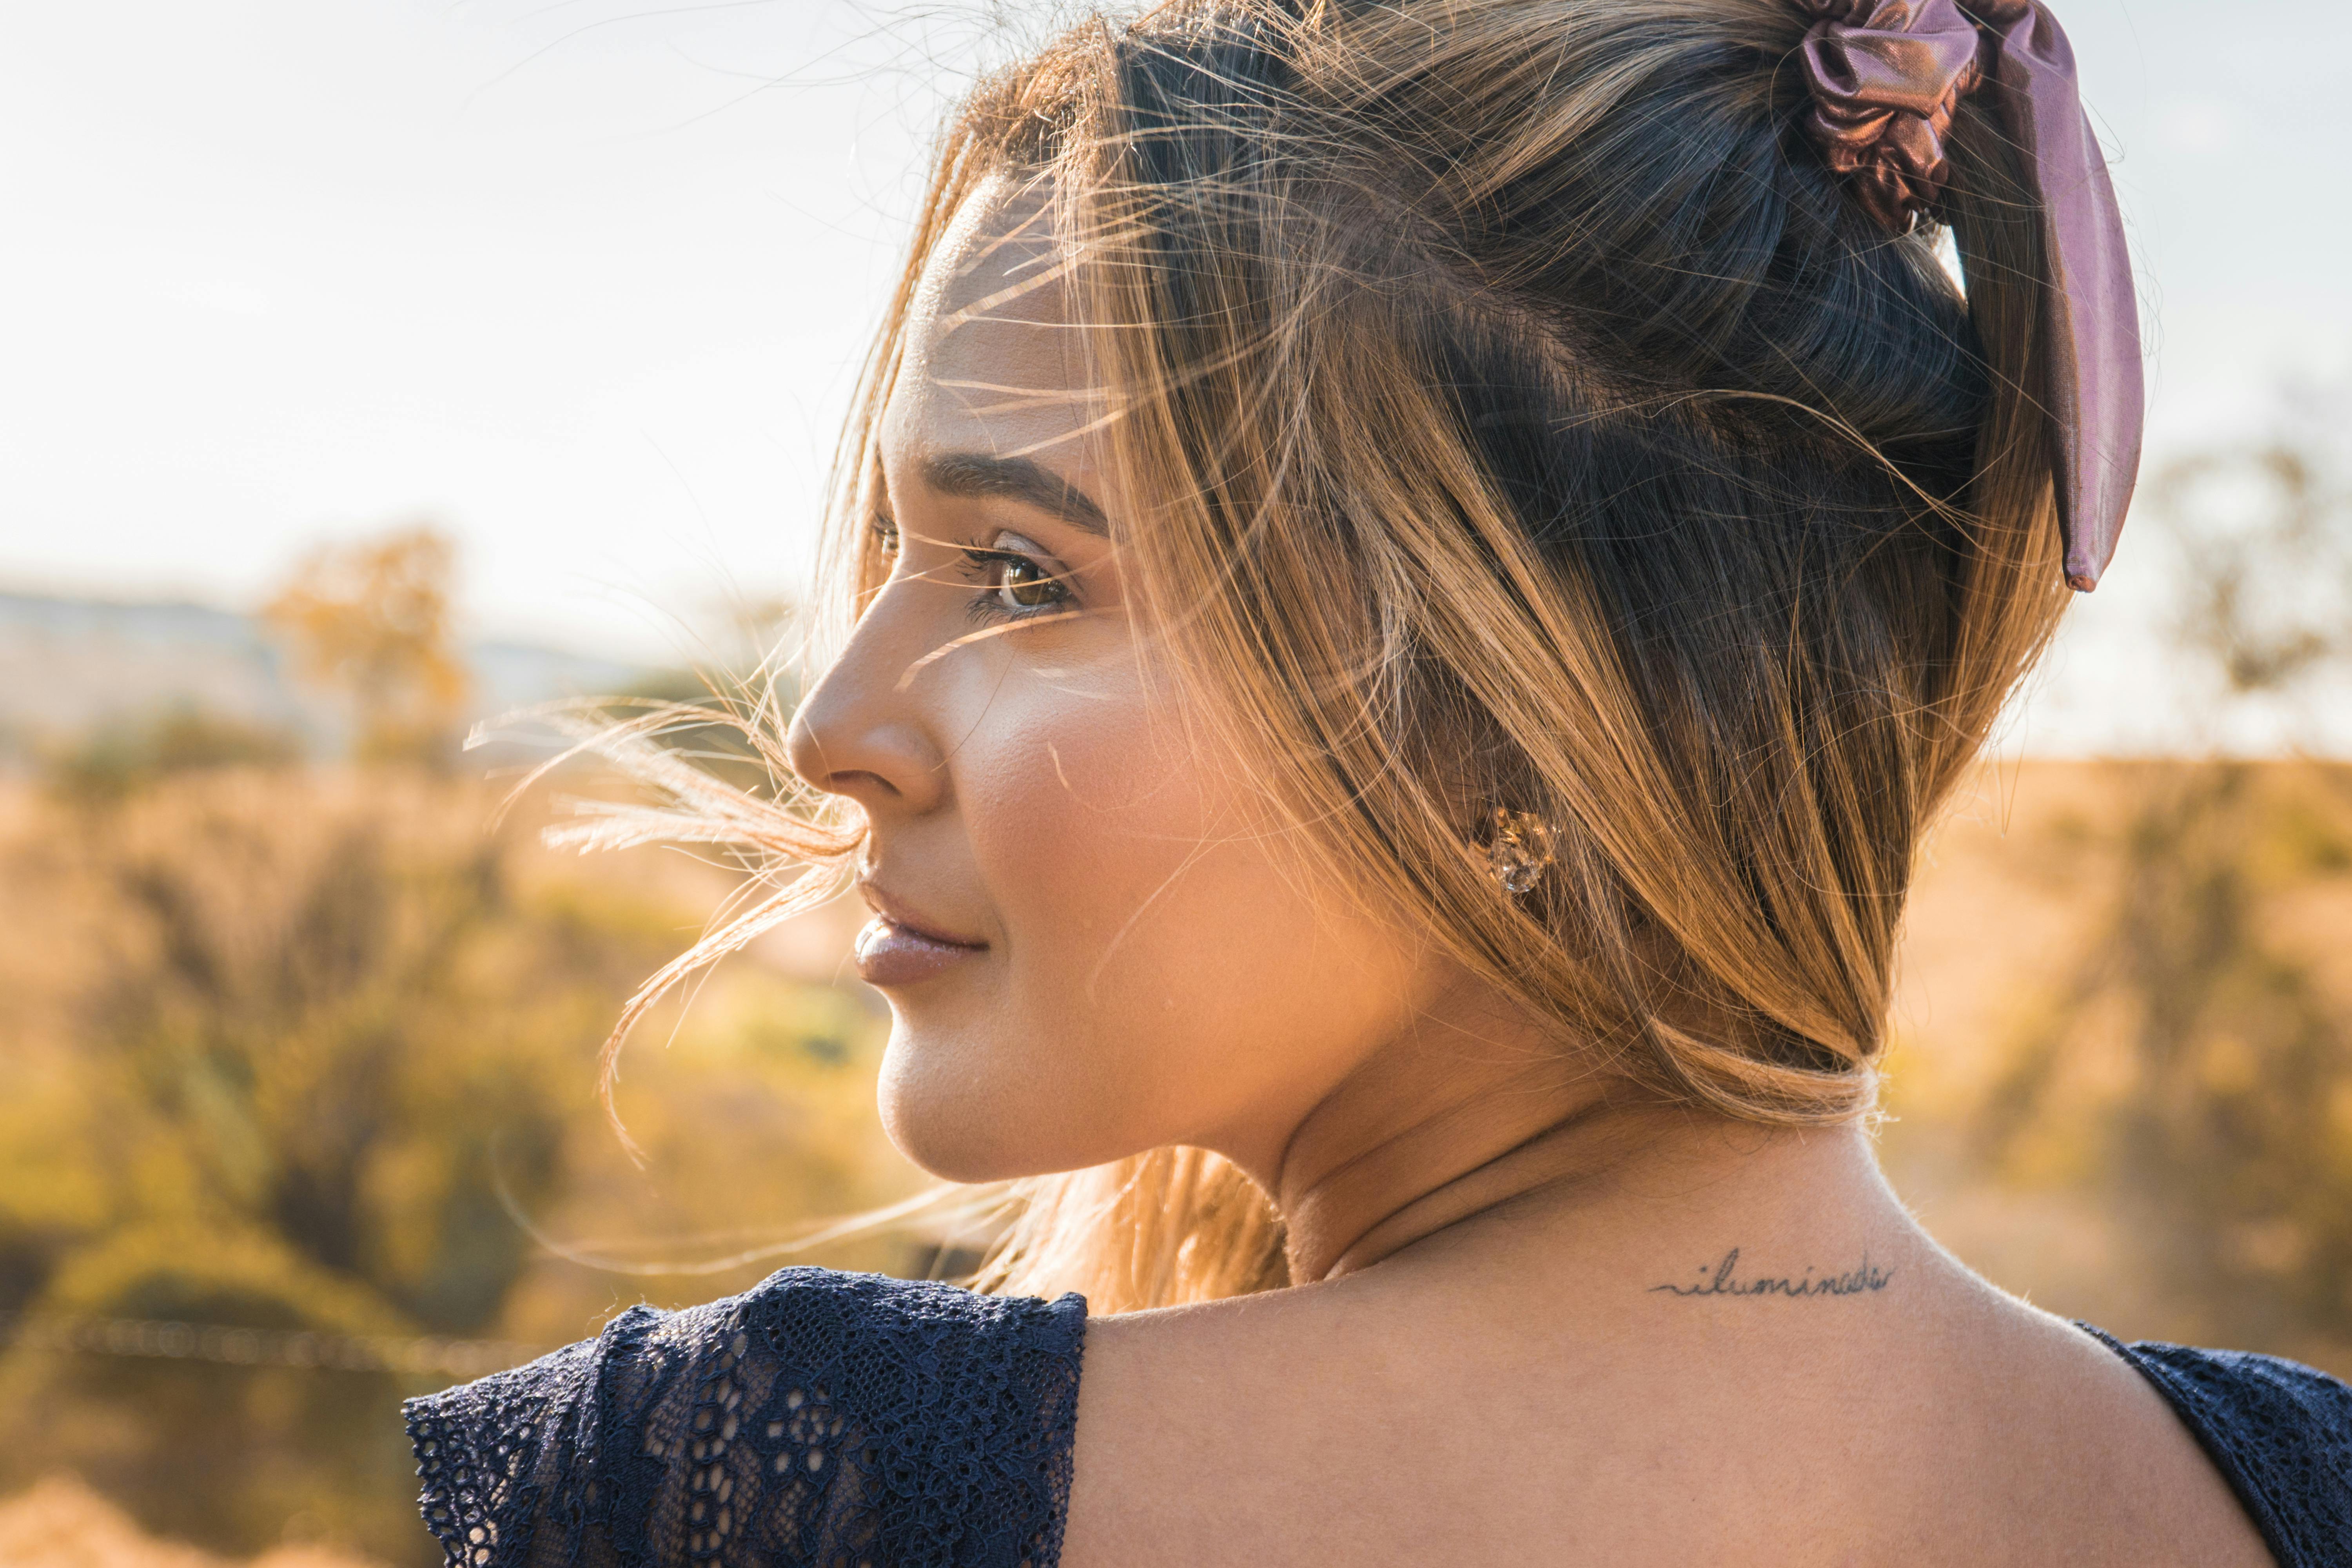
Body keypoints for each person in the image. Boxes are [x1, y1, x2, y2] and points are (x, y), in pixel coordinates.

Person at [403, 1, 2352, 1563]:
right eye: (899, 552)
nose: (833, 717)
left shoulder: (771, 1485)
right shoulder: (2298, 1488)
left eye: (1023, 574)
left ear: (1520, 734)